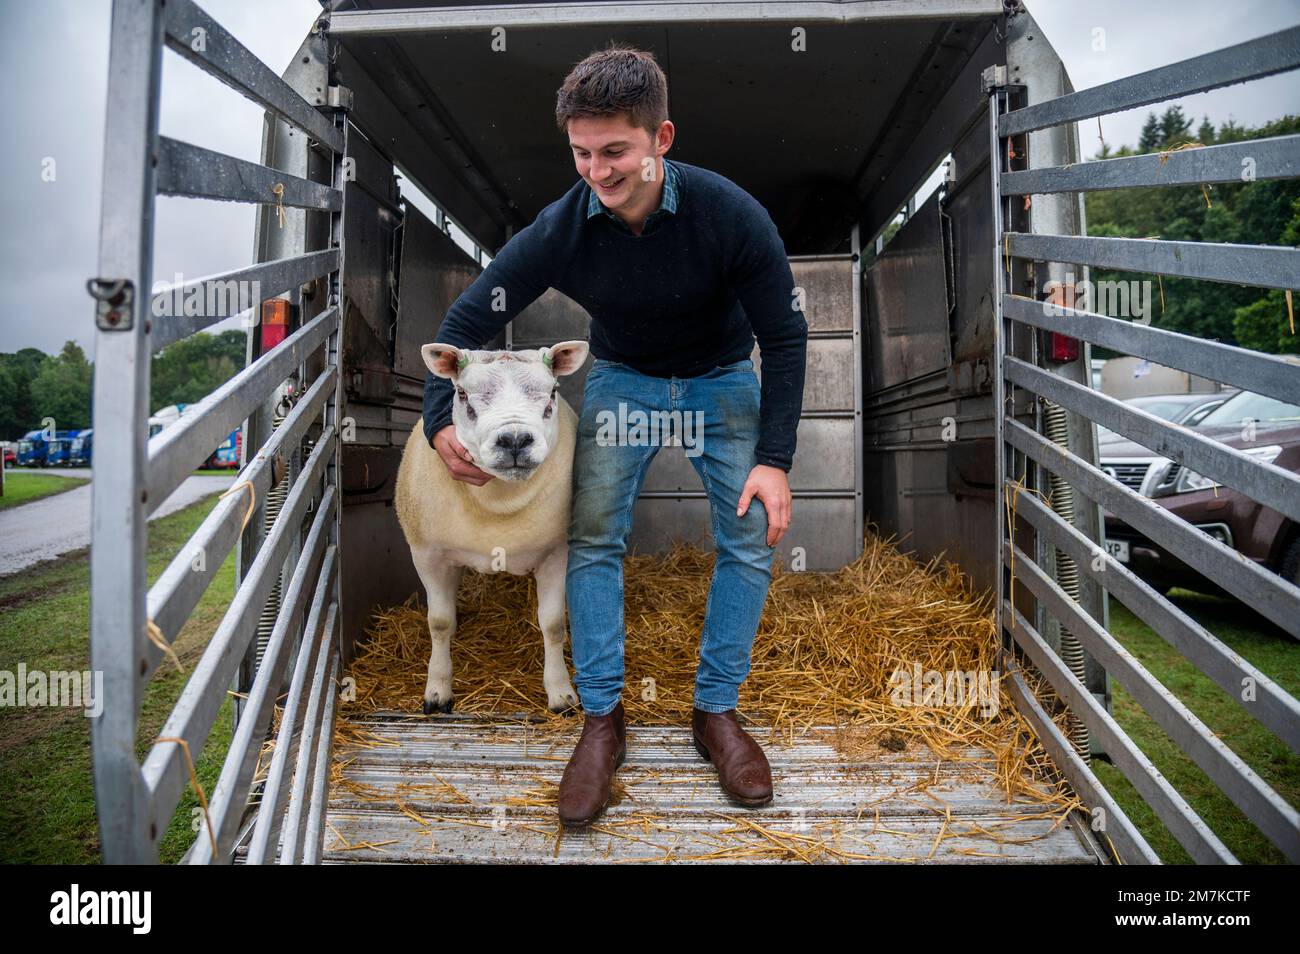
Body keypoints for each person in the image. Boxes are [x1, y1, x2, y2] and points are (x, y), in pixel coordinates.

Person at [422, 43, 808, 827]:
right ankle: (603, 721)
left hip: (721, 377)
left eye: (615, 152)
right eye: (581, 153)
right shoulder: (563, 227)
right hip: (624, 379)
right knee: (594, 539)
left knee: (747, 538)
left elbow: (788, 336)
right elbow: (466, 322)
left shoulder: (731, 215)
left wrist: (773, 461)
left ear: (661, 138)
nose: (597, 172)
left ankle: (715, 714)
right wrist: (437, 425)